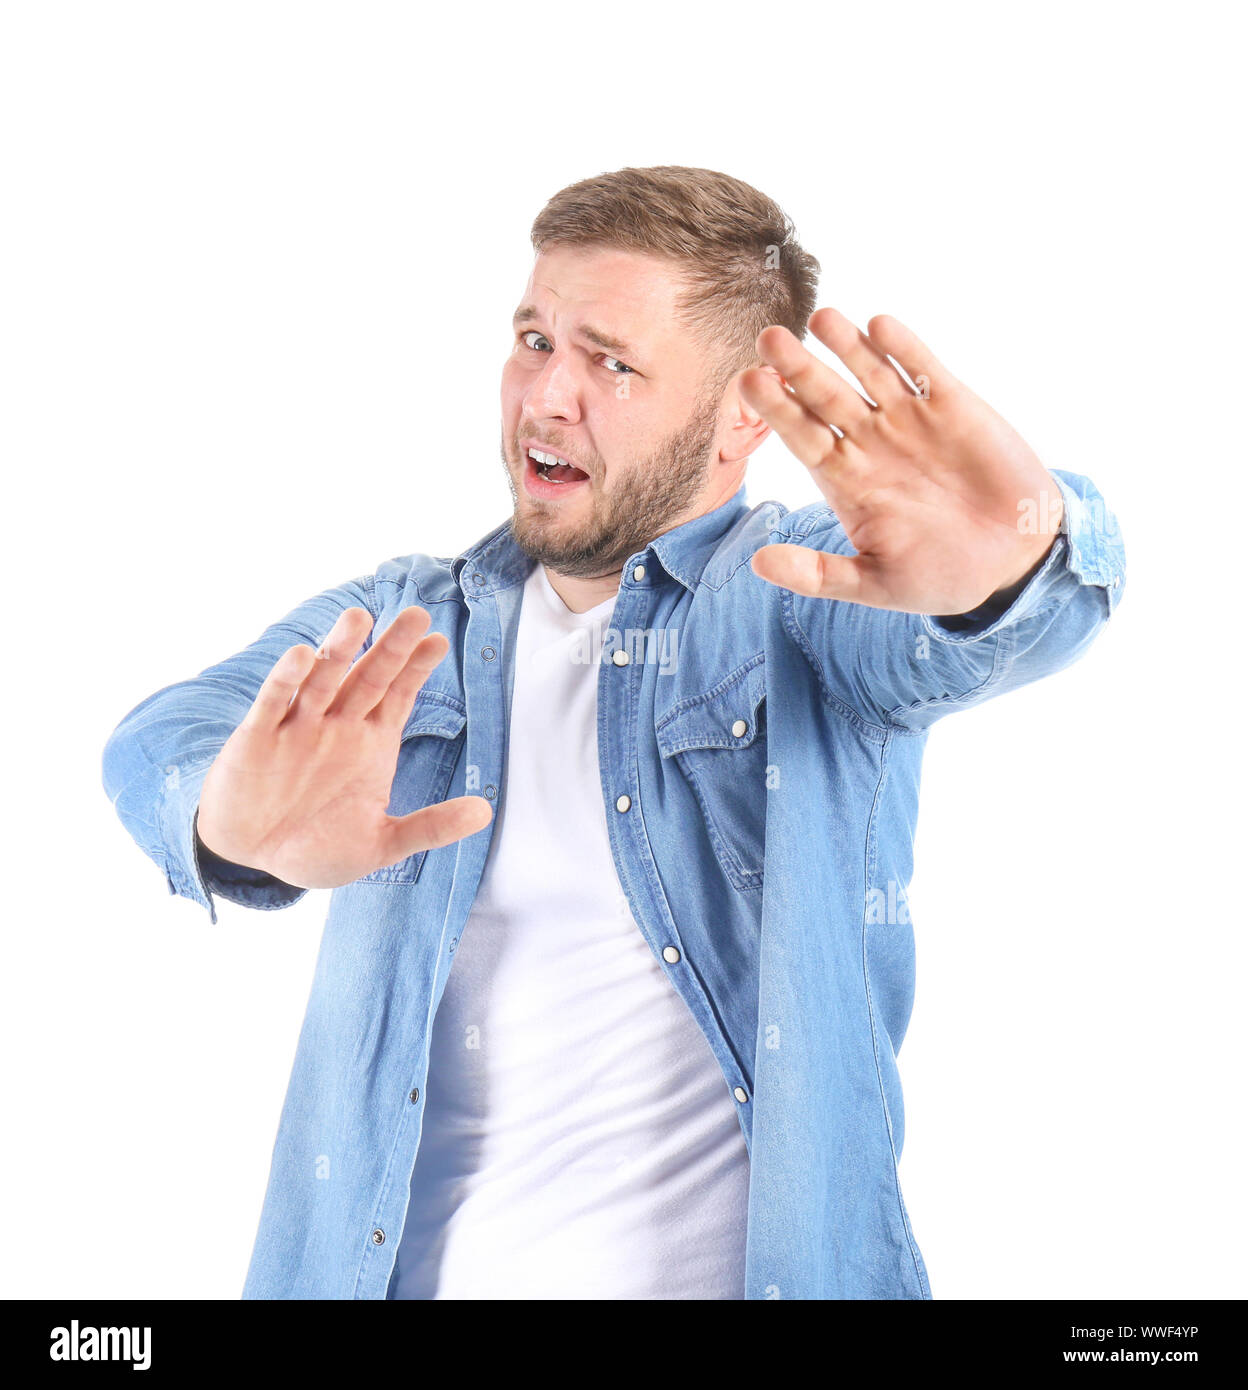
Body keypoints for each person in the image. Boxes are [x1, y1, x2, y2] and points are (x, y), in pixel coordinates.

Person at [101, 165, 1125, 1300]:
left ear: (747, 410)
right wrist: (223, 821)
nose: (546, 397)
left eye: (611, 361)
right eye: (534, 339)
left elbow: (1003, 622)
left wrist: (1011, 567)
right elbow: (158, 737)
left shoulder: (805, 597)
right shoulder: (409, 619)